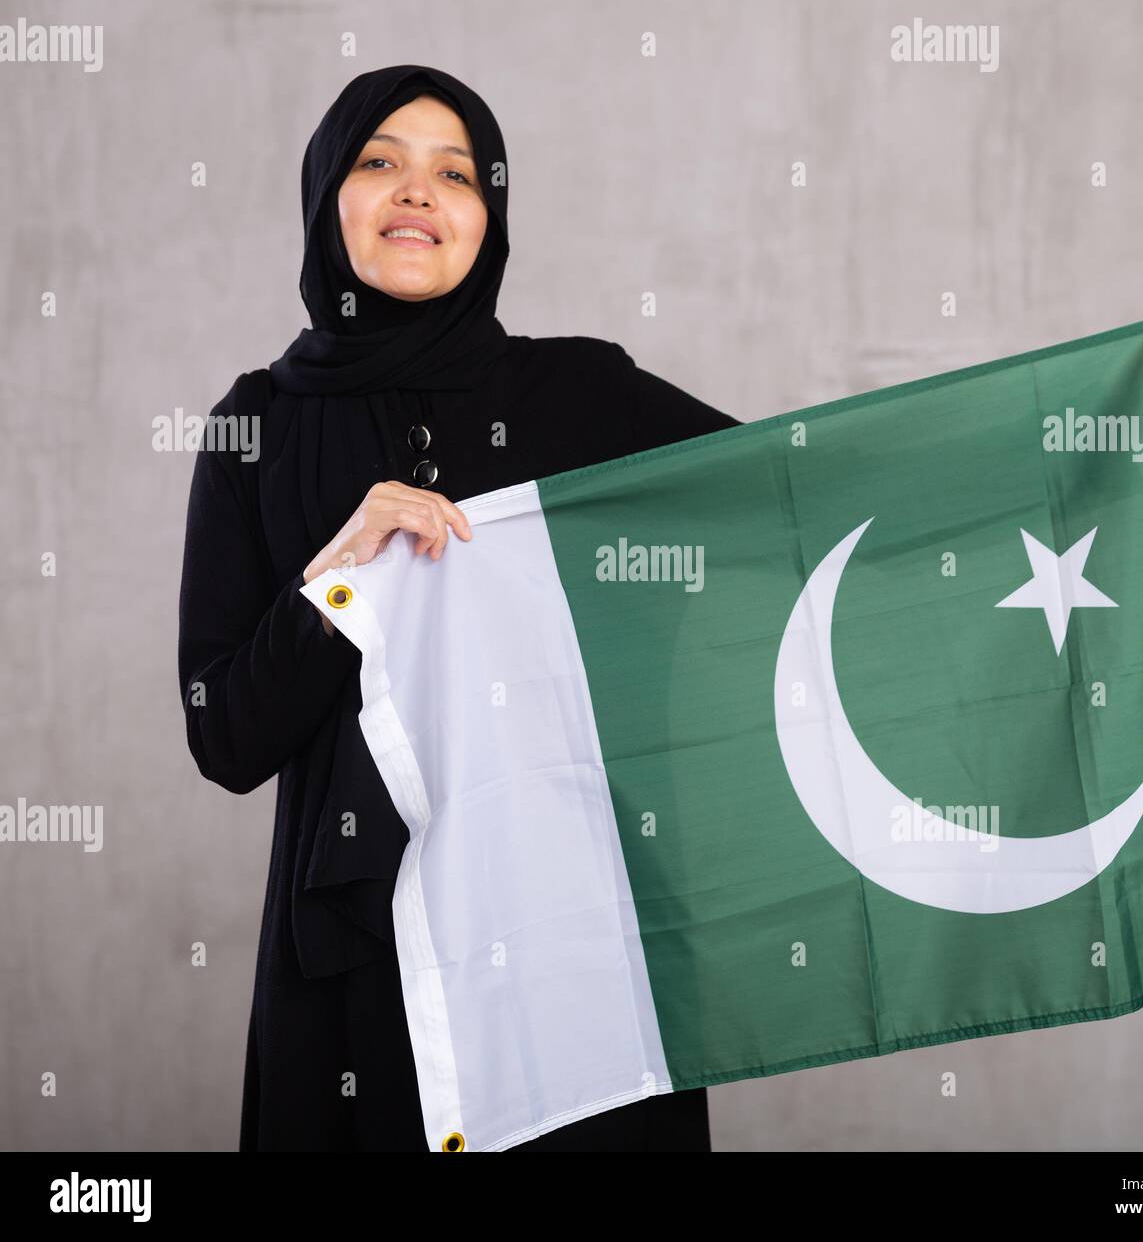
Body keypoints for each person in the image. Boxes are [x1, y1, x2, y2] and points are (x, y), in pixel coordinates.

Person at [177, 64, 737, 1151]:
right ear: (324, 198)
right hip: (358, 966)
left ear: (492, 215)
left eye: (456, 172)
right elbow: (226, 736)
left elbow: (813, 482)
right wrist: (340, 571)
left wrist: (1113, 423)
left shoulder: (586, 395)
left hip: (577, 942)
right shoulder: (255, 428)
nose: (418, 192)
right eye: (379, 161)